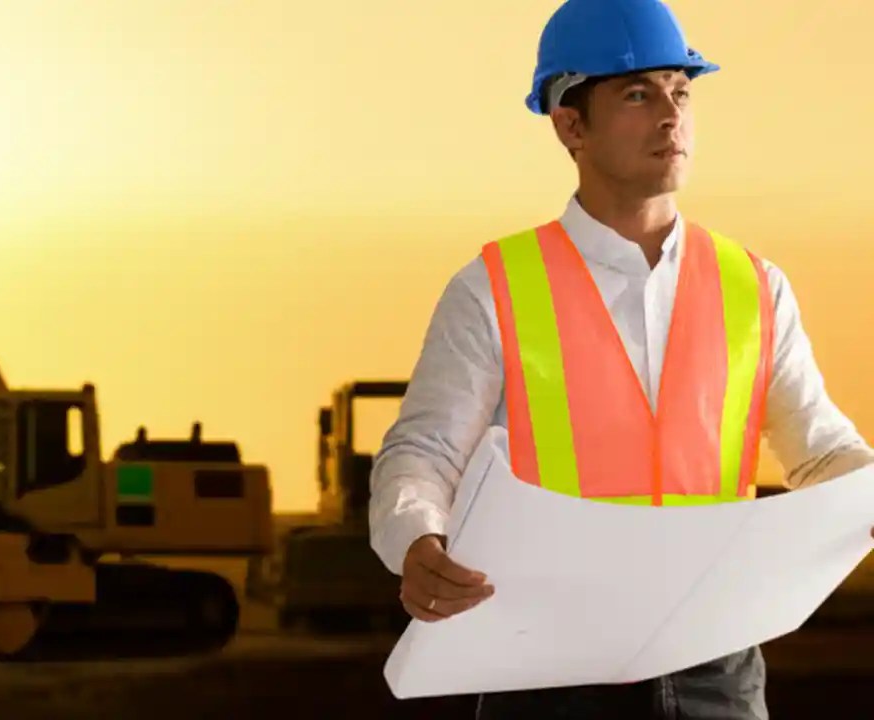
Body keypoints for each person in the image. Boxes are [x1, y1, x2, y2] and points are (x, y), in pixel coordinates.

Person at [367, 0, 874, 718]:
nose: (671, 116)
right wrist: (415, 539)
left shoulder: (756, 288)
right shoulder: (493, 289)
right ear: (570, 125)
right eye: (638, 94)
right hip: (543, 668)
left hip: (716, 669)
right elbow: (423, 452)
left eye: (681, 92)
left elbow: (820, 451)